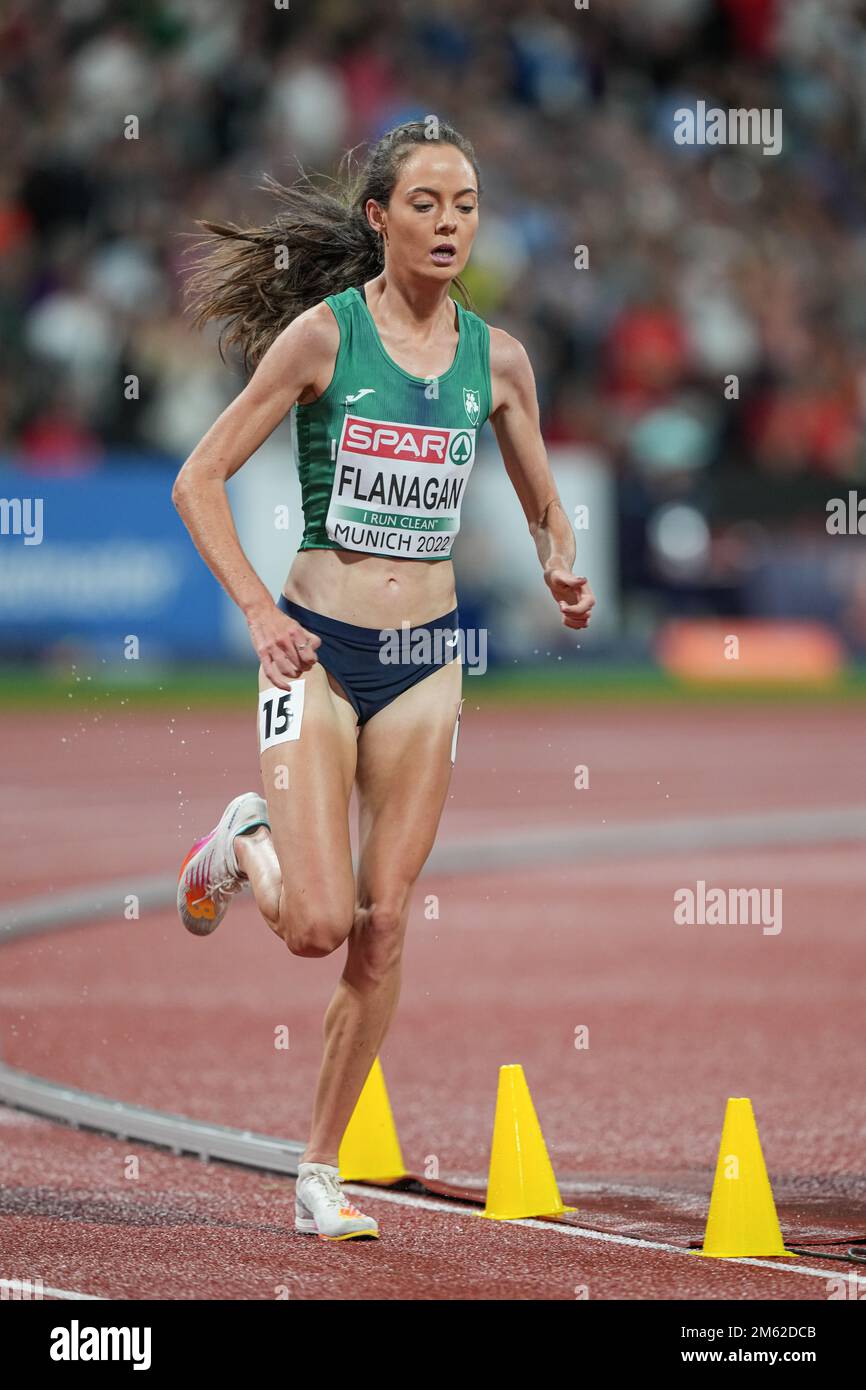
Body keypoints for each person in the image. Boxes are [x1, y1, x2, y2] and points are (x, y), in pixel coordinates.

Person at [171, 120, 595, 1241]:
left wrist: (559, 559)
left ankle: (318, 1169)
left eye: (464, 204)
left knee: (384, 924)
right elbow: (198, 478)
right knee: (314, 923)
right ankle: (244, 843)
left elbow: (544, 499)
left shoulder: (496, 359)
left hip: (424, 660)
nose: (450, 223)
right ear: (378, 218)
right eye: (426, 204)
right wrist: (259, 612)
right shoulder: (321, 339)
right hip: (314, 644)